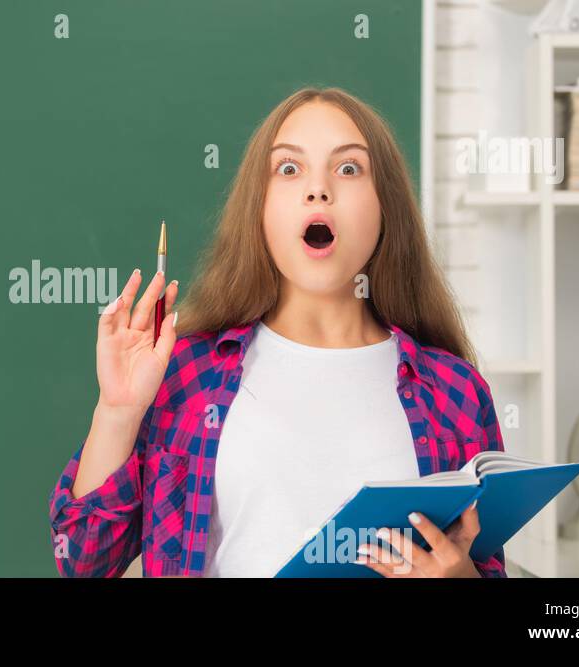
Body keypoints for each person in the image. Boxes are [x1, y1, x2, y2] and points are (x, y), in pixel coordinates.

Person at [47, 87, 507, 578]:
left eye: (349, 168)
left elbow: (484, 563)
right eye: (289, 169)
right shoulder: (185, 374)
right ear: (260, 211)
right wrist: (118, 412)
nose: (318, 189)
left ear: (385, 208)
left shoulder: (454, 390)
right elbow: (82, 560)